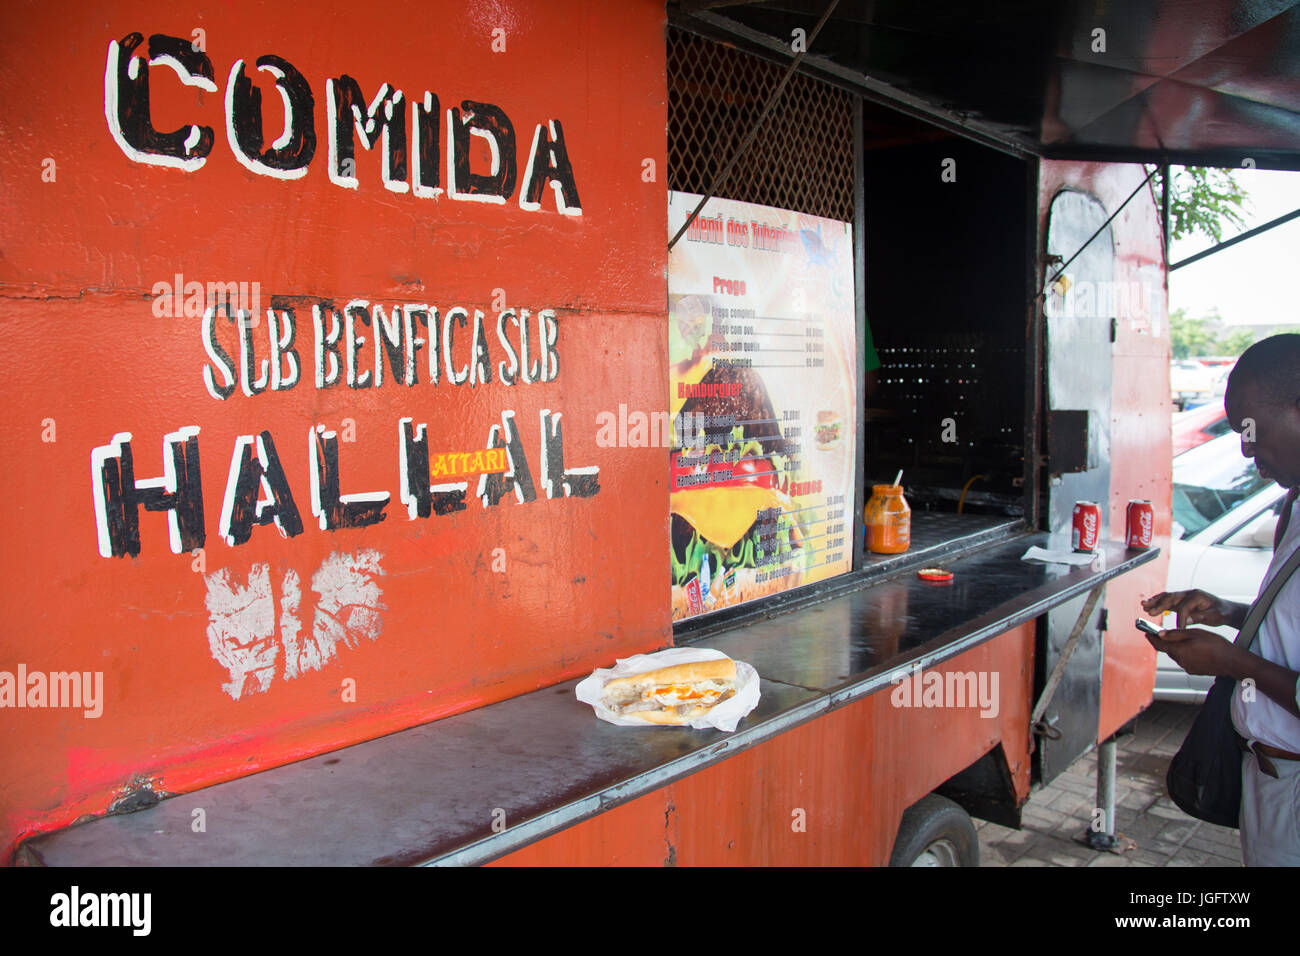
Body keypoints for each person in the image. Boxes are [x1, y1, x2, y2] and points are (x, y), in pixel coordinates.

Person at [1142, 333, 1300, 866]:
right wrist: (1230, 613)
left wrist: (1231, 662)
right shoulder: (1296, 505)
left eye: (1252, 430)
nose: (1247, 449)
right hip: (1269, 775)